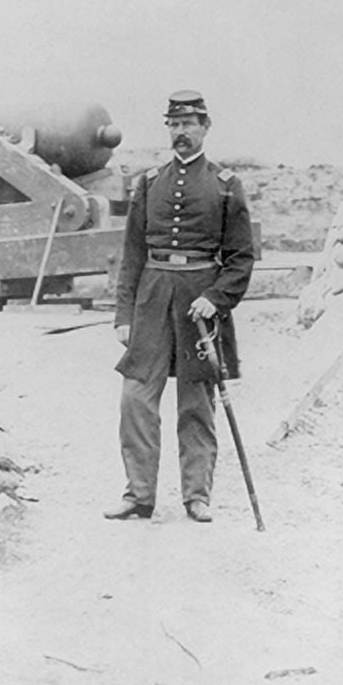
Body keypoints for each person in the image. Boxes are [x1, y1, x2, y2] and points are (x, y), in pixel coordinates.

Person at [104, 90, 255, 523]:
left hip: (199, 305)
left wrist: (215, 298)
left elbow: (241, 259)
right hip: (152, 300)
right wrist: (124, 315)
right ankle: (139, 495)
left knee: (196, 402)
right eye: (174, 124)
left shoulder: (226, 186)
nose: (180, 132)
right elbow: (132, 253)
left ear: (205, 127)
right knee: (135, 397)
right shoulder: (149, 182)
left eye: (189, 124)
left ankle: (197, 495)